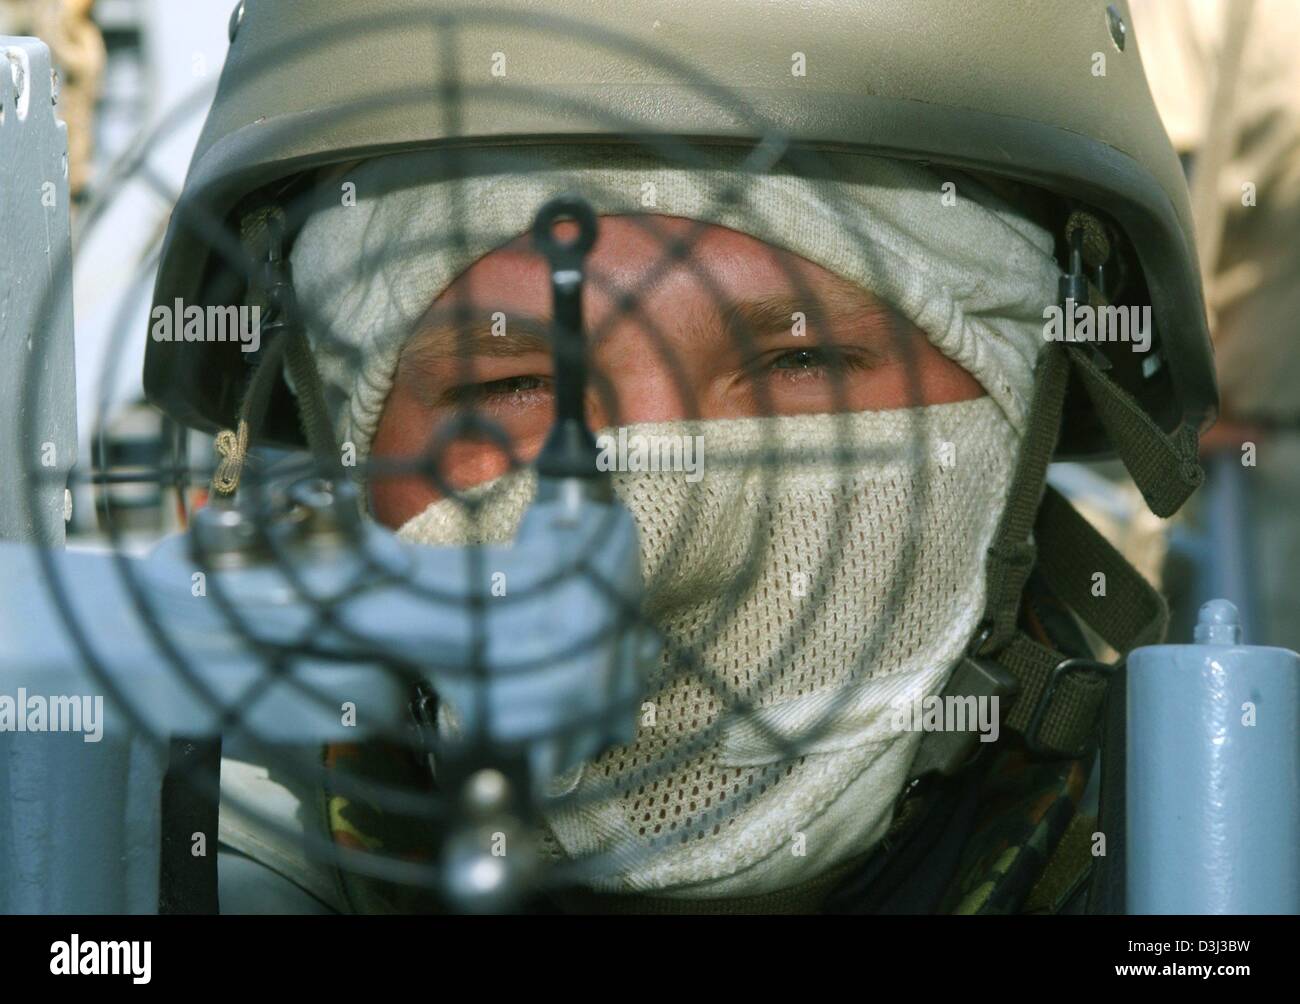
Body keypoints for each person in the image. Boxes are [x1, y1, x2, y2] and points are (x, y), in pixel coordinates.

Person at [144, 0, 1213, 914]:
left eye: (805, 363)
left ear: (1036, 397)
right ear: (345, 448)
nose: (658, 535)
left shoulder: (1214, 863)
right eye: (509, 387)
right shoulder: (157, 865)